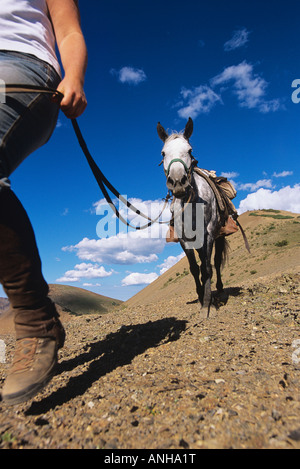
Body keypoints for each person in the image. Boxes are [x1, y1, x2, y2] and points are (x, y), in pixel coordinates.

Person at [0, 0, 88, 405]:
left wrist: (75, 76)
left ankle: (36, 321)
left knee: (195, 187)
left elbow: (68, 29)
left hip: (23, 66)